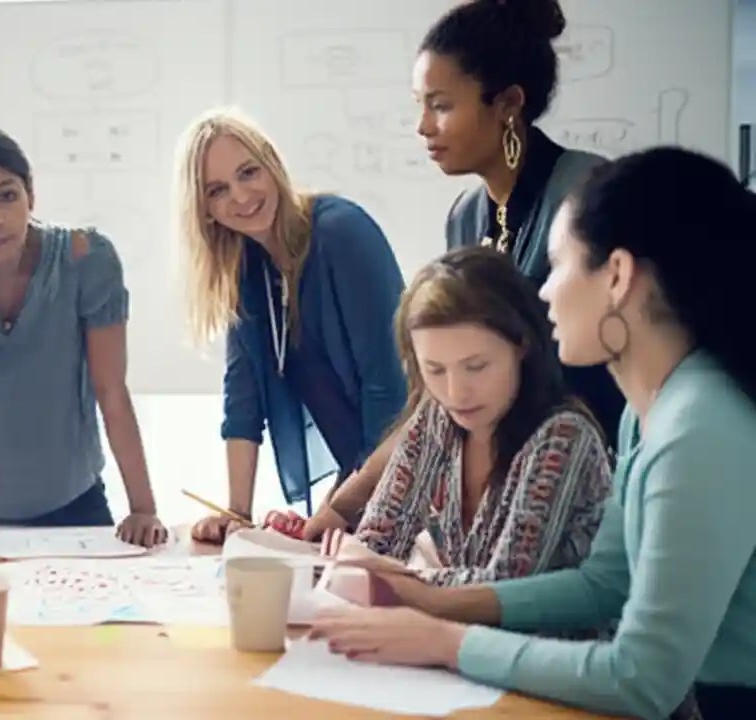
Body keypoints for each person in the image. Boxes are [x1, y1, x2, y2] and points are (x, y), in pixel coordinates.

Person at [309, 147, 756, 720]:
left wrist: (447, 642)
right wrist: (430, 600)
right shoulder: (650, 410)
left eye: (559, 264)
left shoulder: (698, 428)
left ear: (616, 275)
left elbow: (643, 680)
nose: (543, 292)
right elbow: (602, 583)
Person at [303, 0, 623, 543]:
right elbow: (439, 398)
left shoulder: (583, 195)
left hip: (587, 482)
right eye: (420, 105)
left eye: (442, 105)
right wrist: (344, 506)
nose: (423, 126)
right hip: (502, 492)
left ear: (508, 104)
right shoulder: (467, 217)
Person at [0, 126, 167, 547]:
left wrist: (143, 509)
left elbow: (110, 390)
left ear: (31, 195)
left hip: (77, 505)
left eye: (7, 195)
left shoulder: (85, 258)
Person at [175, 108, 407, 545]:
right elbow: (242, 400)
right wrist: (235, 515)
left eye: (248, 172)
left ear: (272, 164)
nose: (241, 197)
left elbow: (389, 391)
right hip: (362, 480)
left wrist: (337, 510)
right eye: (218, 190)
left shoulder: (341, 232)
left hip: (413, 476)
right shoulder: (247, 269)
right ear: (204, 210)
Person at [329, 247, 610, 587]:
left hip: (552, 640)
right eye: (434, 370)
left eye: (476, 367)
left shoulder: (563, 436)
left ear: (521, 346)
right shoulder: (437, 417)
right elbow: (375, 546)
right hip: (456, 635)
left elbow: (505, 588)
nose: (456, 392)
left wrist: (401, 577)